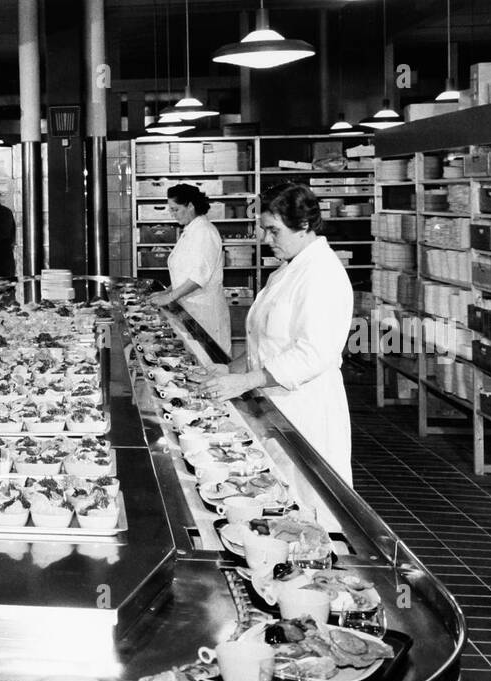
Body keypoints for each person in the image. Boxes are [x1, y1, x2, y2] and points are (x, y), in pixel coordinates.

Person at [202, 181, 354, 485]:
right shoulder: (289, 269)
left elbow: (312, 354)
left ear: (304, 225)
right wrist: (228, 369)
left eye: (274, 231)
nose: (267, 239)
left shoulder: (323, 275)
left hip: (305, 409)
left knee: (307, 502)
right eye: (265, 229)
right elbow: (268, 341)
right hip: (276, 404)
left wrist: (246, 381)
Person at [149, 183, 231, 352]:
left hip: (204, 312)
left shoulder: (204, 232)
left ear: (191, 206)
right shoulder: (191, 231)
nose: (172, 214)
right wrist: (166, 291)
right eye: (170, 210)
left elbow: (198, 277)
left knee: (210, 363)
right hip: (191, 309)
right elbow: (185, 273)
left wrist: (169, 297)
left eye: (176, 209)